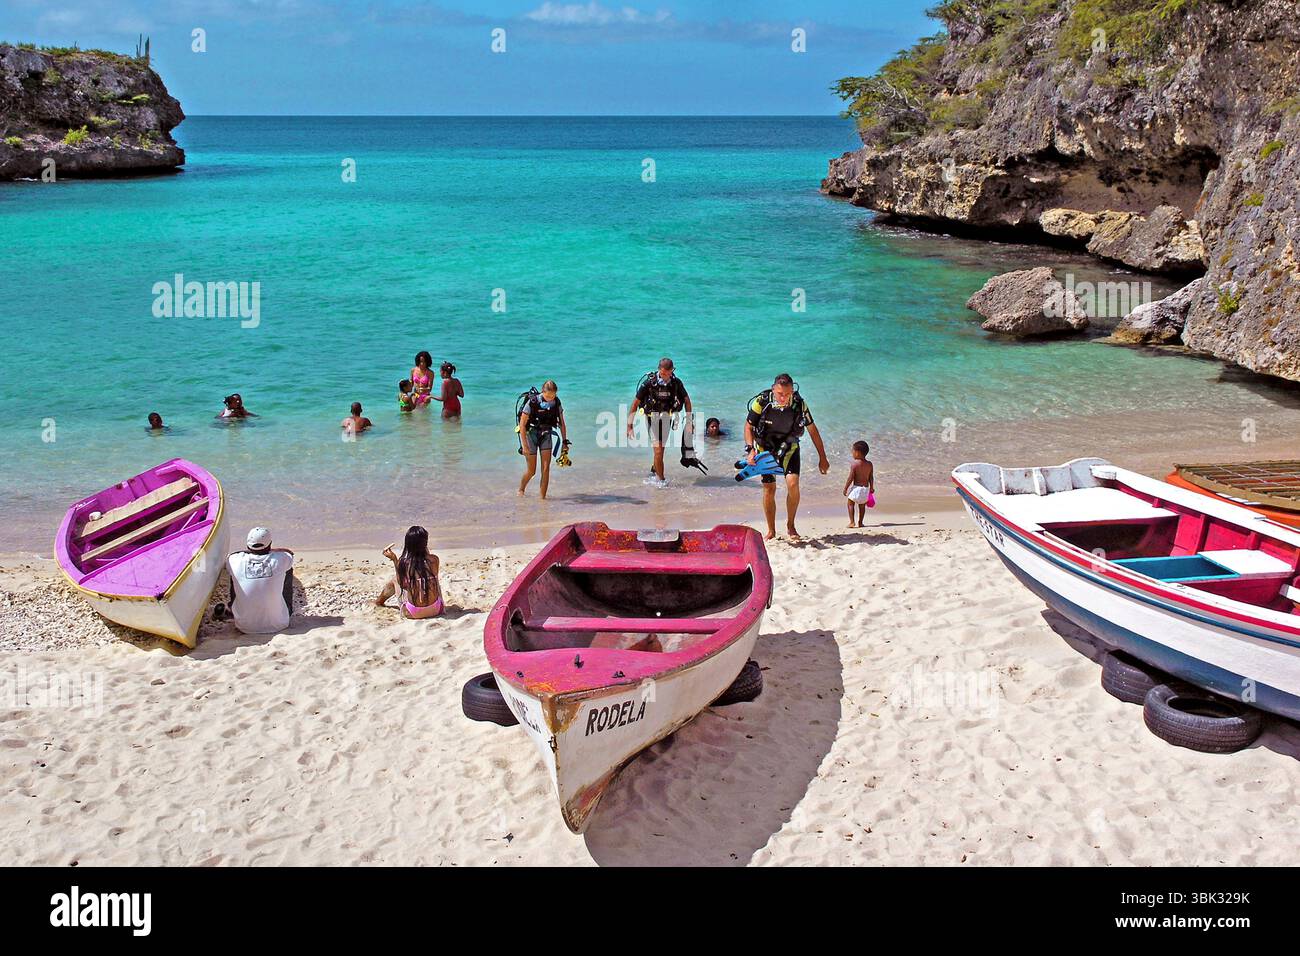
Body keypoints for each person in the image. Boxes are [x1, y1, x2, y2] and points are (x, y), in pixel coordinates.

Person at [744, 373, 829, 540]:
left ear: (792, 390)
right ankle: (771, 530)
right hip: (765, 448)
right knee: (769, 488)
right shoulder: (762, 401)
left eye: (787, 394)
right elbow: (748, 427)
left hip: (789, 447)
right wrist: (750, 450)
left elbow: (813, 430)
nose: (784, 397)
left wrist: (823, 457)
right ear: (774, 389)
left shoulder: (799, 404)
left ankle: (791, 525)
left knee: (793, 483)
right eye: (780, 393)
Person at [627, 357, 691, 487]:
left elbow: (687, 401)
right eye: (662, 374)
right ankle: (661, 481)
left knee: (661, 450)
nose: (665, 377)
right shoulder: (649, 383)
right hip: (652, 417)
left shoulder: (676, 383)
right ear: (658, 370)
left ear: (672, 370)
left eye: (668, 373)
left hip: (667, 417)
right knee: (658, 451)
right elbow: (635, 404)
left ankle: (654, 467)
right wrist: (630, 426)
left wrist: (689, 421)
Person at [226, 527, 294, 634]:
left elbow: (233, 554)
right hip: (279, 624)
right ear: (270, 544)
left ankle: (233, 607)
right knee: (288, 570)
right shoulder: (282, 558)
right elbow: (289, 553)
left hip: (244, 626)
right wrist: (275, 550)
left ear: (248, 546)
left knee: (234, 574)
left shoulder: (234, 560)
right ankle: (284, 609)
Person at [375, 526, 444, 619]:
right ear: (425, 543)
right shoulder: (434, 559)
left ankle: (378, 602)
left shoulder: (404, 563)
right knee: (433, 578)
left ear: (408, 544)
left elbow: (402, 584)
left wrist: (395, 559)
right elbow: (424, 563)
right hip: (436, 610)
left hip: (413, 613)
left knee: (395, 580)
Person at [518, 380, 569, 499]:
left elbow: (562, 422)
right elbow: (522, 424)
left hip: (546, 434)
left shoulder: (556, 402)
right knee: (532, 471)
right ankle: (521, 489)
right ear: (543, 392)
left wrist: (564, 441)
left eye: (553, 396)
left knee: (546, 469)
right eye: (548, 396)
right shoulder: (533, 402)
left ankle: (542, 499)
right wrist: (524, 445)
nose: (550, 399)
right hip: (531, 435)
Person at [844, 440, 875, 528]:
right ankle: (860, 522)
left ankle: (852, 522)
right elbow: (871, 477)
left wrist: (845, 488)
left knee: (850, 503)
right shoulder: (869, 464)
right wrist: (872, 488)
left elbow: (851, 478)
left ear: (857, 453)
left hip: (856, 489)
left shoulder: (854, 464)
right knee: (862, 506)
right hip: (865, 489)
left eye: (852, 451)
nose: (852, 453)